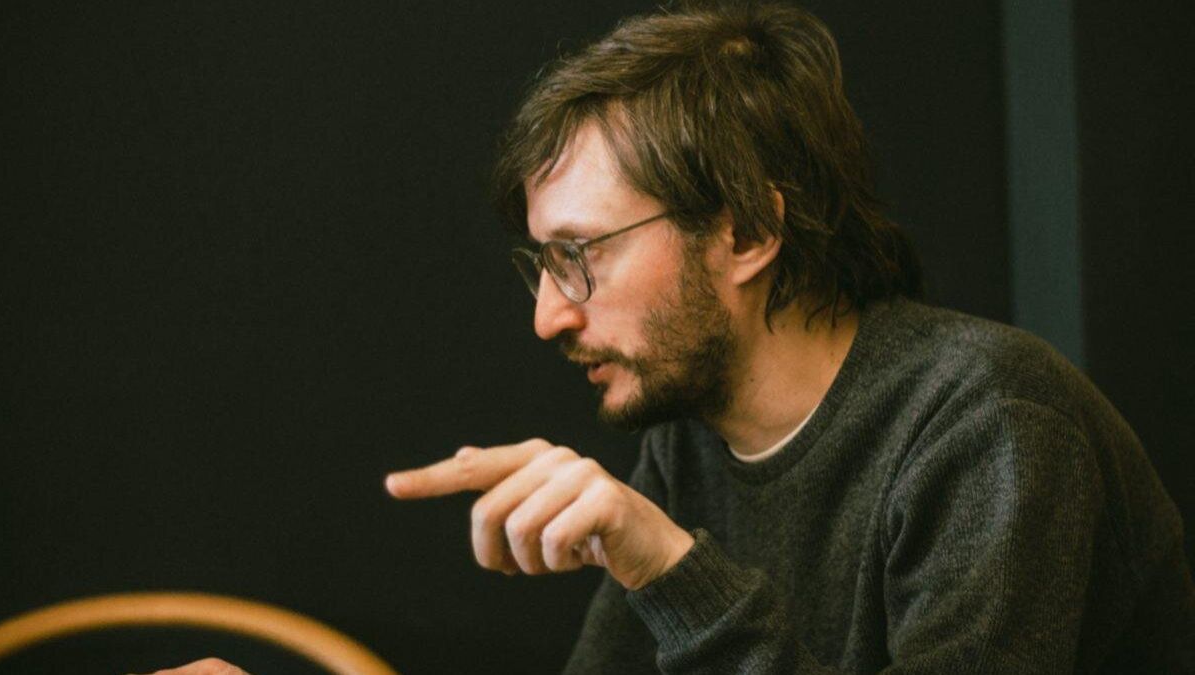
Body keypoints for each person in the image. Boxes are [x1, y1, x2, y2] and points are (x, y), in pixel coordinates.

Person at [157, 1, 1195, 673]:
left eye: (580, 255)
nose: (548, 315)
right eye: (541, 264)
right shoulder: (690, 440)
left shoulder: (991, 422)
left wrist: (667, 563)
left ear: (744, 232)